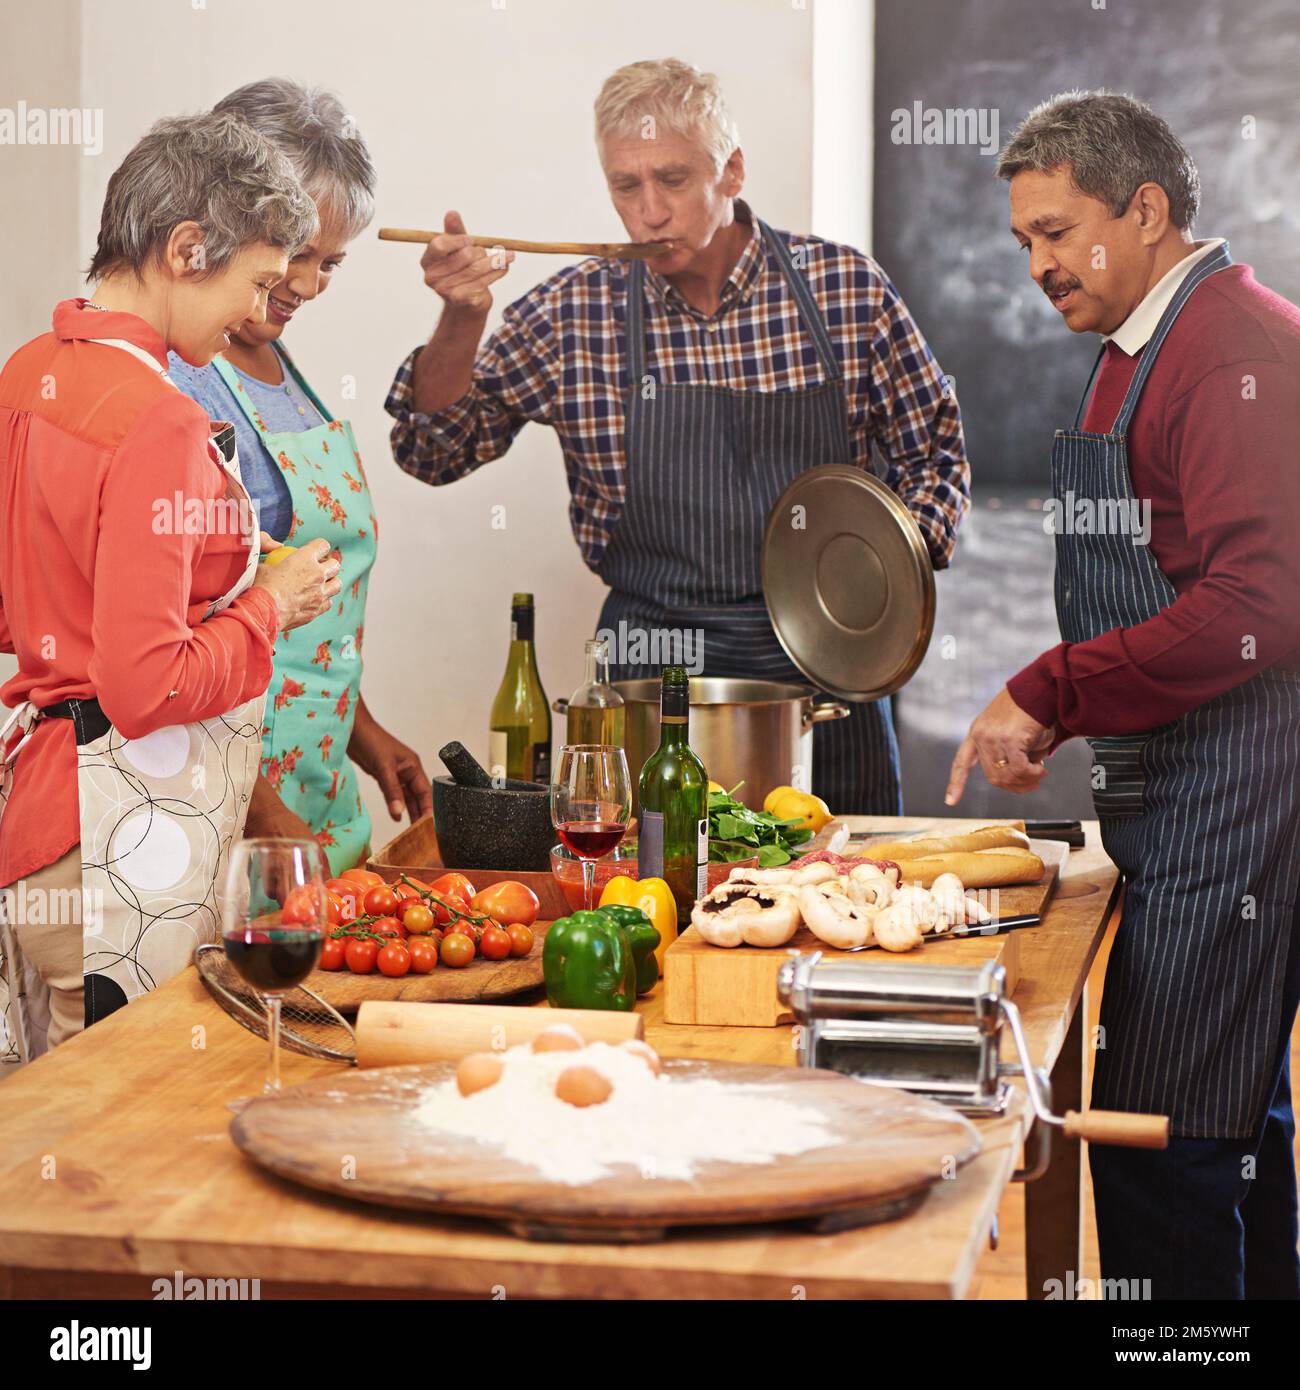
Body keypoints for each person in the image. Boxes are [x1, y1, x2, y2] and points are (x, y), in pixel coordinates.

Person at [386, 58, 969, 814]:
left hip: (828, 672)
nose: (649, 213)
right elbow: (432, 450)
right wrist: (462, 318)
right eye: (626, 187)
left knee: (848, 904)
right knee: (650, 900)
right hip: (650, 678)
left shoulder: (845, 291)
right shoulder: (574, 313)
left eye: (673, 180)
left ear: (731, 170)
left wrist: (885, 580)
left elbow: (937, 455)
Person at [946, 91, 1300, 1299]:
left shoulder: (1231, 350)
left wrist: (1050, 682)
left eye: (1056, 232)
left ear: (1144, 210)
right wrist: (1067, 706)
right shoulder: (1140, 348)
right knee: (1231, 1131)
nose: (1038, 264)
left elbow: (1258, 606)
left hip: (1237, 788)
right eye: (1023, 243)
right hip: (1184, 791)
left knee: (1166, 1141)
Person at [0, 112, 339, 1065]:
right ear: (188, 249)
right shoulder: (159, 422)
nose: (258, 311)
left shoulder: (29, 375)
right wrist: (268, 603)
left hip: (40, 840)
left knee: (49, 1157)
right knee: (122, 1161)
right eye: (259, 283)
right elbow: (146, 688)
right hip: (122, 848)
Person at [169, 79, 430, 874]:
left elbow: (302, 610)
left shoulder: (279, 361)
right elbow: (177, 634)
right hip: (230, 800)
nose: (308, 285)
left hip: (315, 786)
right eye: (295, 253)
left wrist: (364, 730)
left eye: (330, 263)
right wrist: (259, 809)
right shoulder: (185, 377)